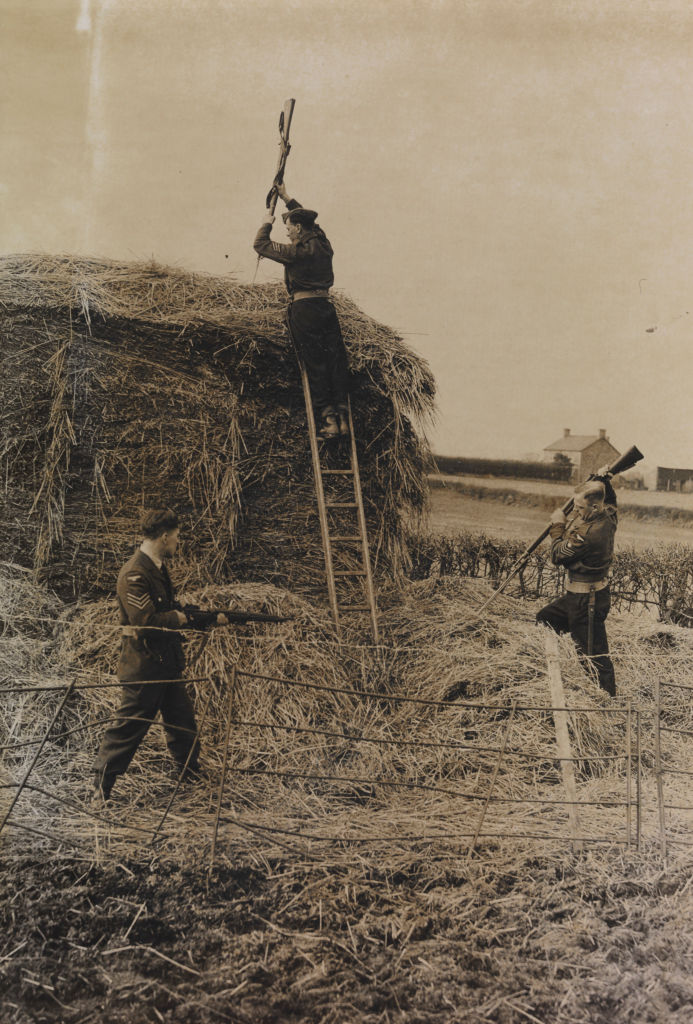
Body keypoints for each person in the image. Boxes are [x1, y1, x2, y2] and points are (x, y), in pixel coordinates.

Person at [93, 509, 225, 802]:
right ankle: (101, 788)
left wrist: (203, 618)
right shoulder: (135, 573)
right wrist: (179, 619)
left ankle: (190, 776)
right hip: (144, 665)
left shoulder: (157, 566)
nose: (178, 542)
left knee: (182, 722)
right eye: (177, 537)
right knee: (129, 727)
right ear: (164, 536)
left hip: (166, 662)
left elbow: (169, 608)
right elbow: (146, 621)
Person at [253, 181, 351, 439]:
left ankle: (328, 421)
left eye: (288, 227)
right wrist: (286, 198)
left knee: (315, 363)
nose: (286, 232)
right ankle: (343, 418)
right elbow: (314, 226)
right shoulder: (323, 243)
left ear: (297, 228)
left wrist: (267, 221)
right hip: (326, 309)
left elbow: (260, 245)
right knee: (335, 361)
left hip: (304, 311)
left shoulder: (295, 252)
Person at [536, 469, 618, 697]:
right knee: (546, 619)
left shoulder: (588, 534)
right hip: (580, 596)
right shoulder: (608, 514)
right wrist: (603, 478)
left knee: (593, 655)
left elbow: (557, 556)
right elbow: (610, 499)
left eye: (580, 508)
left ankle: (606, 699)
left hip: (587, 602)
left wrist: (557, 525)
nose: (576, 512)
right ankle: (556, 669)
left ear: (594, 508)